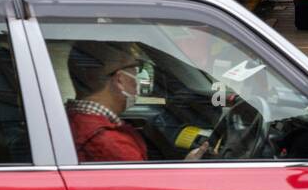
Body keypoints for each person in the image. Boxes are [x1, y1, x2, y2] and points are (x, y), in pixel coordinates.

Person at [65, 41, 209, 162]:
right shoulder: (111, 144)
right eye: (135, 69)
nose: (138, 77)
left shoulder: (71, 121)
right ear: (120, 79)